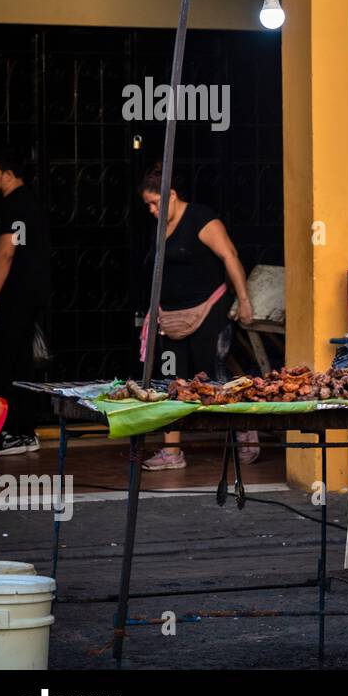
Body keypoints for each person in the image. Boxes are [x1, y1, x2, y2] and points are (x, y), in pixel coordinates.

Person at [138, 164, 255, 471]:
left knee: (213, 375)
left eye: (155, 203)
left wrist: (244, 301)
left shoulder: (201, 219)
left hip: (208, 311)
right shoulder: (160, 226)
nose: (151, 210)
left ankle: (244, 432)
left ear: (172, 195)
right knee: (170, 383)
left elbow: (230, 255)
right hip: (170, 318)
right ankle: (172, 451)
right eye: (148, 205)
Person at [0, 147, 52, 457]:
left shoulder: (12, 205)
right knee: (19, 361)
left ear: (8, 175)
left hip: (14, 296)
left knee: (10, 363)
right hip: (29, 295)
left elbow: (6, 252)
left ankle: (18, 431)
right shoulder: (30, 202)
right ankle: (22, 430)